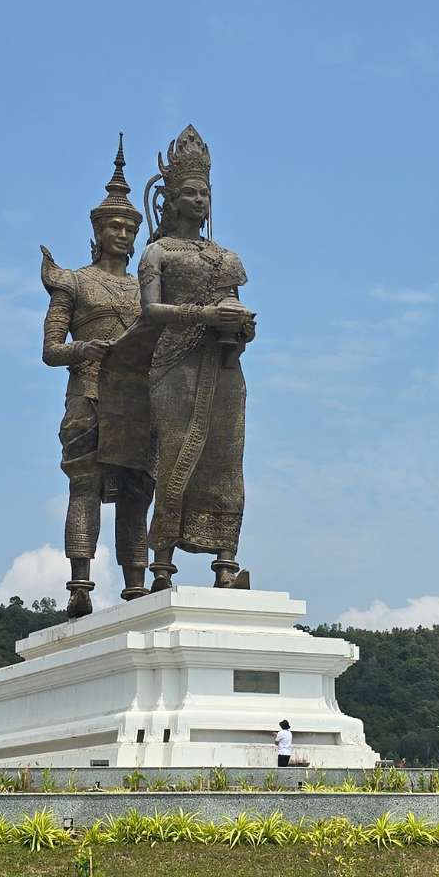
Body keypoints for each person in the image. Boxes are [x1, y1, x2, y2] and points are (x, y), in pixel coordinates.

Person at [122, 124, 255, 592]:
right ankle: (162, 565)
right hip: (175, 364)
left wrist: (240, 325)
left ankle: (226, 562)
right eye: (190, 193)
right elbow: (150, 311)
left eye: (204, 193)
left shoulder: (226, 257)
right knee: (175, 457)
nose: (199, 200)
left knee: (225, 459)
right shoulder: (157, 253)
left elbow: (234, 305)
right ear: (172, 200)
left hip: (222, 366)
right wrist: (202, 314)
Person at [38, 137, 155, 617]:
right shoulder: (73, 282)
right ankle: (80, 583)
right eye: (114, 226)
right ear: (98, 230)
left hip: (139, 398)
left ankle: (136, 584)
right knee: (84, 485)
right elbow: (50, 350)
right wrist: (84, 348)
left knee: (137, 490)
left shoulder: (146, 289)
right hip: (88, 392)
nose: (122, 234)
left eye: (129, 227)